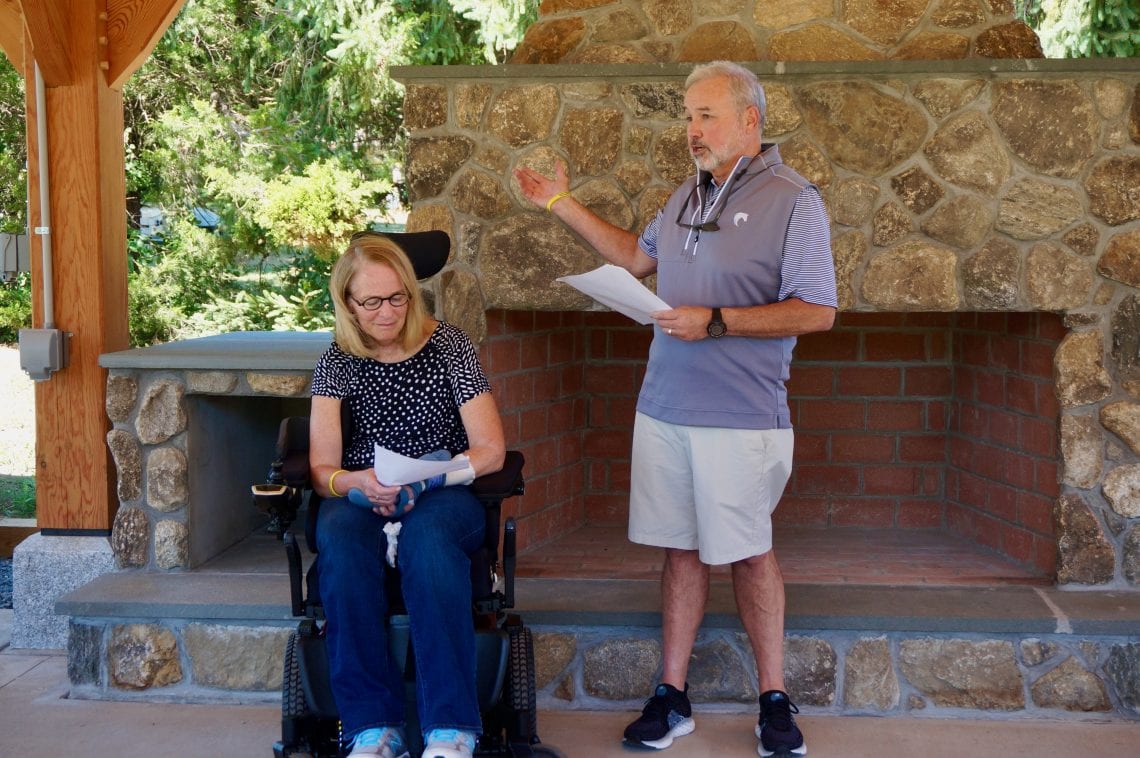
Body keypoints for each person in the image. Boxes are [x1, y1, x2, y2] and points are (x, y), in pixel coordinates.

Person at [514, 61, 837, 756]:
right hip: (664, 409)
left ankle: (773, 701)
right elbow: (637, 258)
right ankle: (671, 695)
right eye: (688, 116)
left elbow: (817, 310)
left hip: (741, 417)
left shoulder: (794, 199)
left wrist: (714, 320)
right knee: (681, 552)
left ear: (750, 119)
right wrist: (559, 202)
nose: (692, 130)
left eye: (705, 115)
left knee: (749, 553)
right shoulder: (688, 193)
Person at [308, 232, 506, 758]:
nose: (387, 312)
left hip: (442, 488)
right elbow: (322, 469)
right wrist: (356, 483)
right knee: (341, 543)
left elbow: (491, 450)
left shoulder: (450, 346)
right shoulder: (337, 360)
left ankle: (451, 728)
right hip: (363, 492)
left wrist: (426, 481)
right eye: (372, 301)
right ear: (348, 303)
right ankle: (373, 727)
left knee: (429, 541)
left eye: (397, 297)